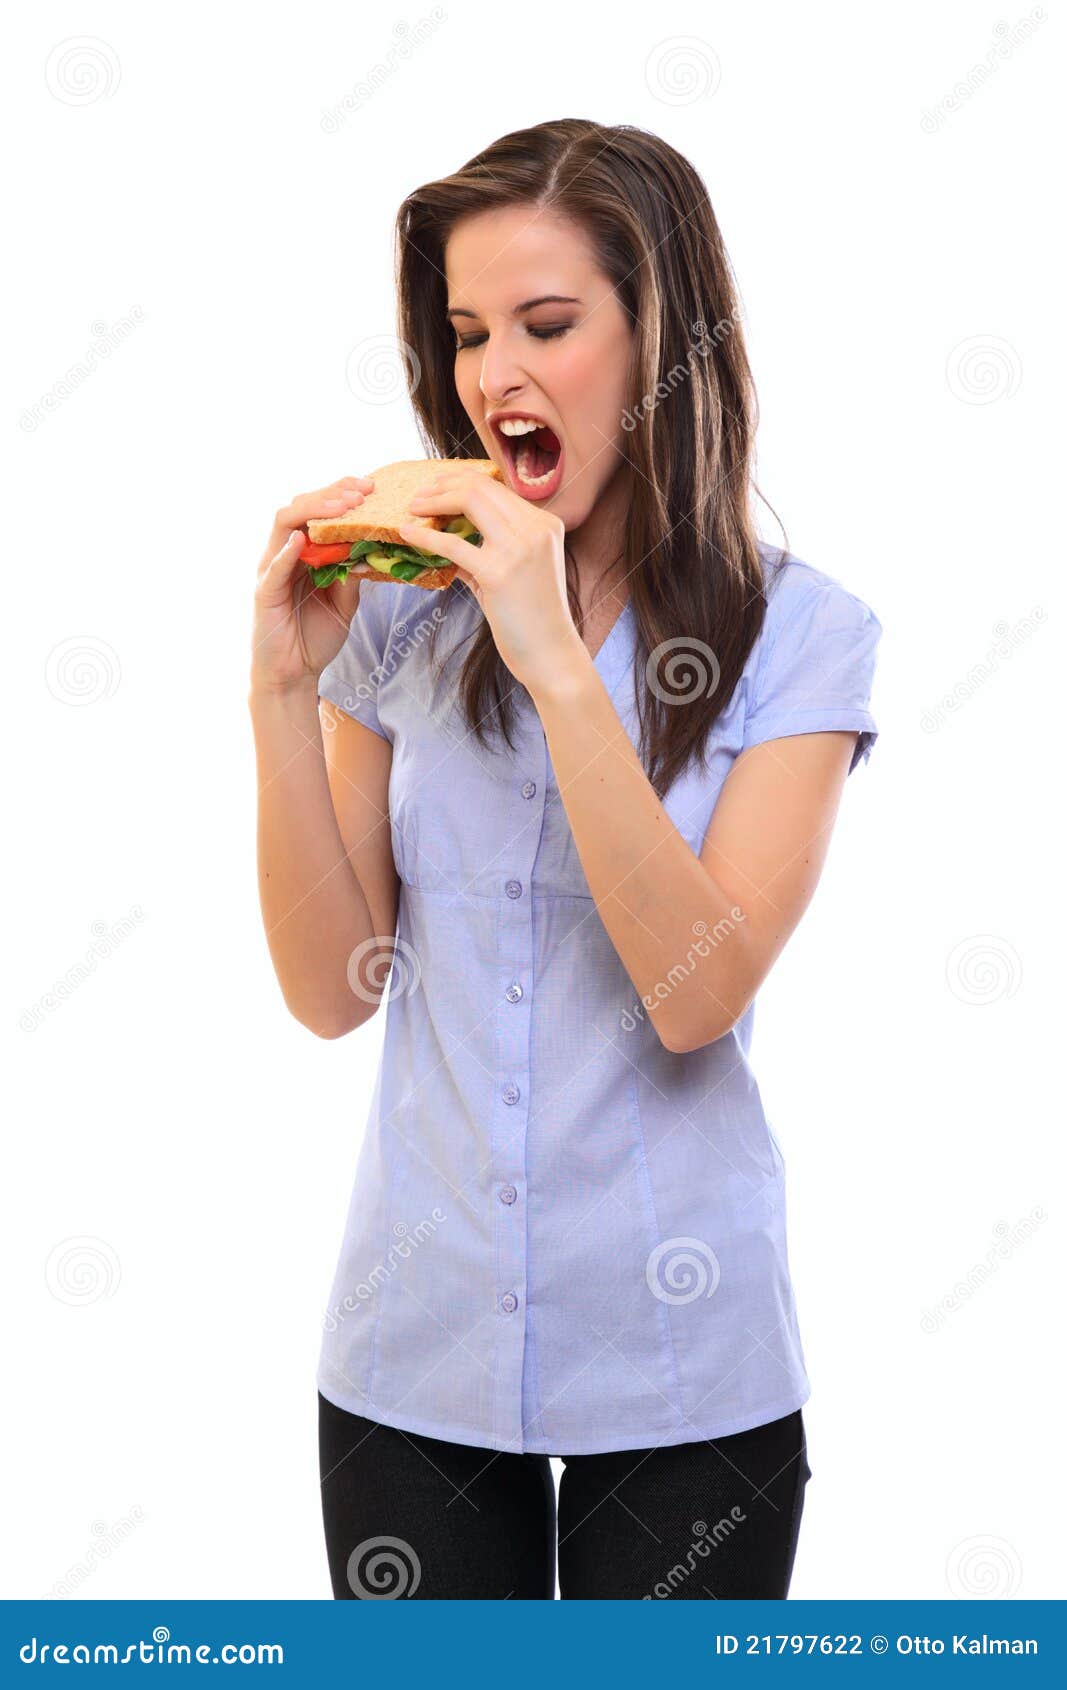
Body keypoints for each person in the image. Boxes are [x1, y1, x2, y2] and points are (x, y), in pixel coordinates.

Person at [248, 119, 882, 1600]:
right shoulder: (401, 618)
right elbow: (329, 992)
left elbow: (693, 991)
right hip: (414, 1358)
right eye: (468, 334)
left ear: (666, 341)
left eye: (547, 325)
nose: (491, 378)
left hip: (684, 1380)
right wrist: (285, 690)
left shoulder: (804, 634)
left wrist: (554, 653)